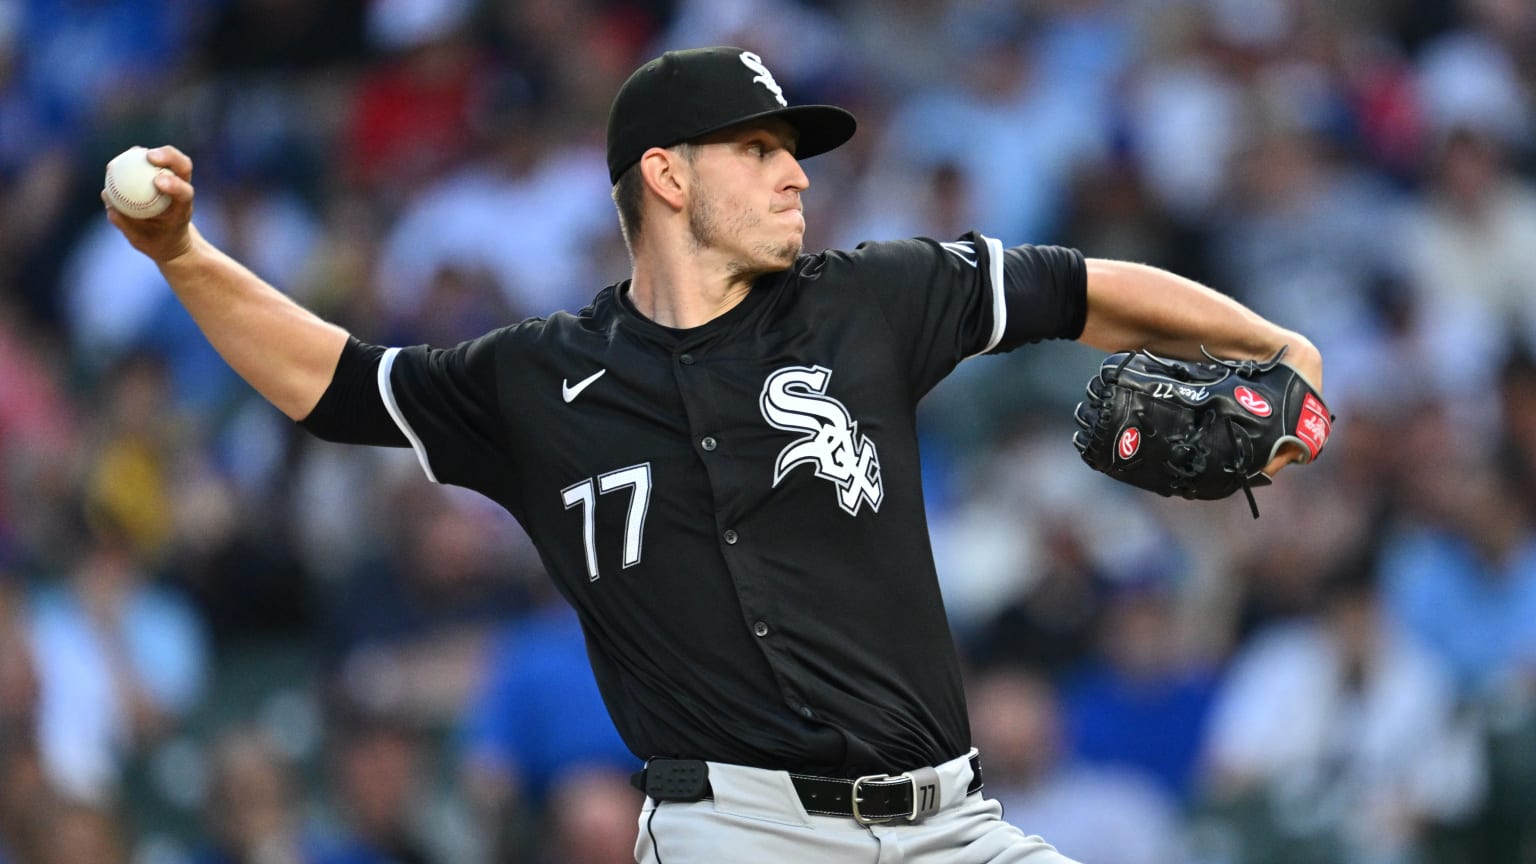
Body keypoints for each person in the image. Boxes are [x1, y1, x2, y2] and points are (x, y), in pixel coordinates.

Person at [104, 45, 1324, 864]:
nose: (796, 174)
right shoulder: (537, 379)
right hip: (736, 837)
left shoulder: (870, 299)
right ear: (668, 174)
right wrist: (182, 256)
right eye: (759, 150)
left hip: (951, 825)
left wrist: (1276, 347)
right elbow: (334, 384)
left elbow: (1080, 289)